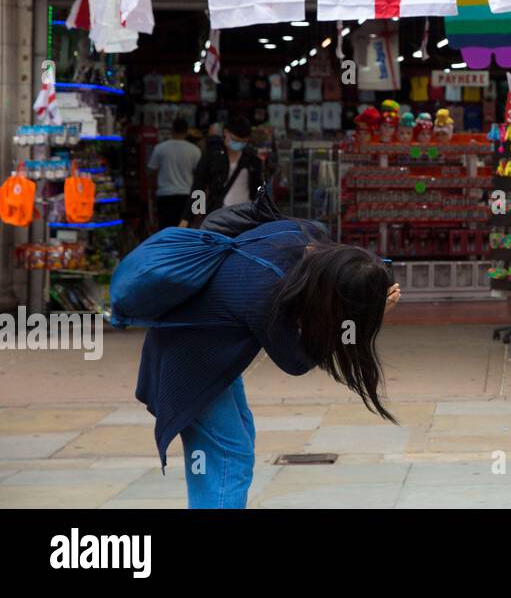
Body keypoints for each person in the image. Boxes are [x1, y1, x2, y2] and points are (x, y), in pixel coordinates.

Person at [134, 219, 401, 508]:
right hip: (189, 362)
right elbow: (295, 362)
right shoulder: (267, 295)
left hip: (205, 348)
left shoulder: (305, 233)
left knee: (237, 440)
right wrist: (356, 320)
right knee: (227, 457)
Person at [184, 116, 263, 227]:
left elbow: (258, 190)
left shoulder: (252, 160)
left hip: (246, 217)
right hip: (218, 216)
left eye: (243, 142)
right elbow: (199, 187)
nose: (238, 144)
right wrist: (191, 217)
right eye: (235, 140)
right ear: (226, 133)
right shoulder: (212, 156)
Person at [146, 117, 201, 231]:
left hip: (165, 196)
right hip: (186, 197)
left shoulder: (160, 148)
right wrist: (199, 205)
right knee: (185, 232)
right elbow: (199, 178)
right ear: (187, 131)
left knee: (166, 231)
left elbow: (152, 172)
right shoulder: (194, 150)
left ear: (172, 130)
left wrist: (151, 193)